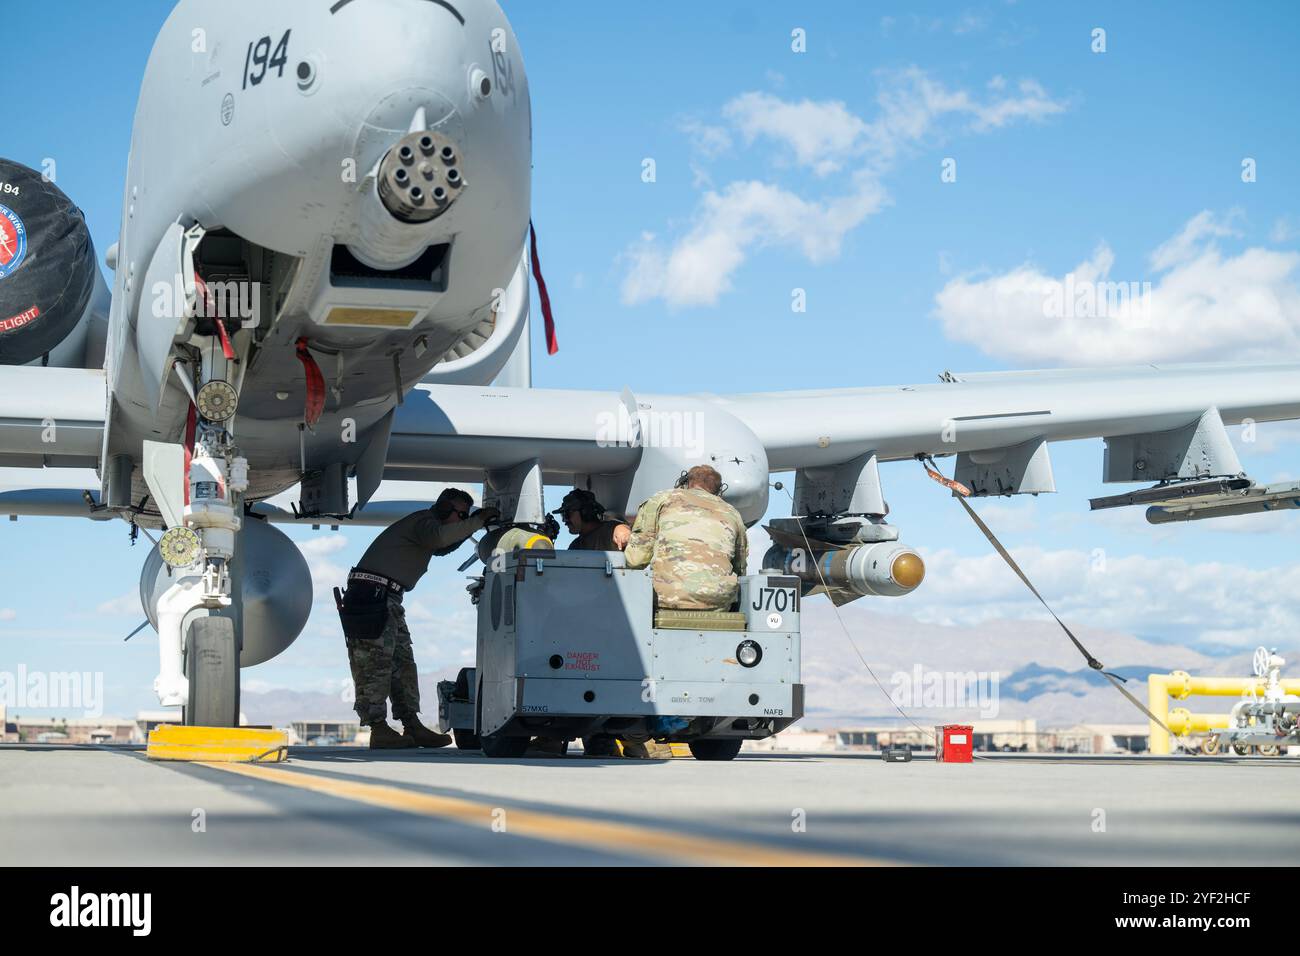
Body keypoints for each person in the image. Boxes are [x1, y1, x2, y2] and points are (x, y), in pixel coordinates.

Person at [337, 487, 498, 749]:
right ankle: (378, 729)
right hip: (373, 597)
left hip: (385, 598)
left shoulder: (425, 528)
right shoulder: (424, 523)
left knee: (402, 664)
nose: (461, 519)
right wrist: (478, 521)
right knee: (374, 664)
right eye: (460, 514)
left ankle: (412, 725)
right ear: (446, 510)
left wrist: (471, 525)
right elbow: (440, 539)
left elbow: (443, 547)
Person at [624, 464, 748, 611]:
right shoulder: (732, 512)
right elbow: (740, 568)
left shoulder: (663, 499)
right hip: (719, 603)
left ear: (687, 482)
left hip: (667, 600)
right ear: (718, 490)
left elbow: (635, 560)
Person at [555, 489, 631, 552]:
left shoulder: (610, 530)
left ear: (585, 512)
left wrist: (622, 531)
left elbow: (622, 532)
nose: (565, 521)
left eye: (567, 514)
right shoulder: (575, 546)